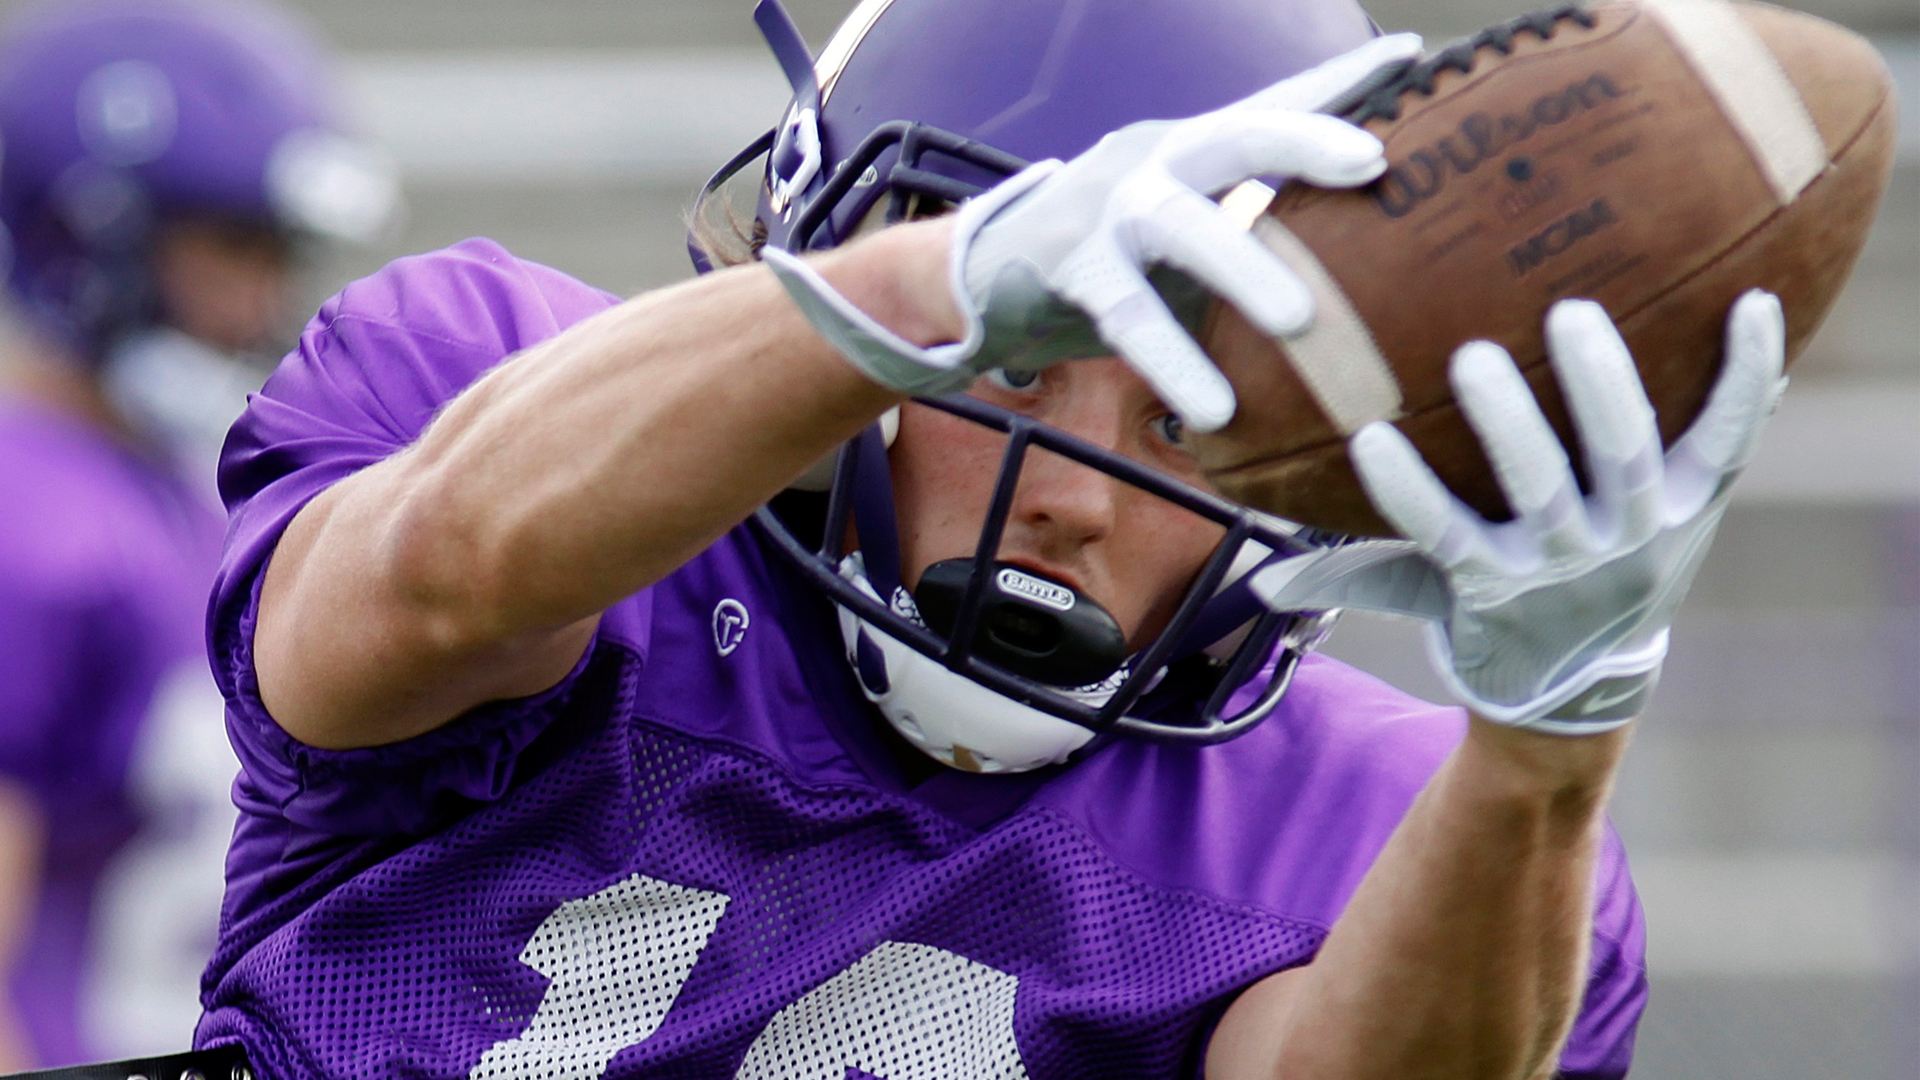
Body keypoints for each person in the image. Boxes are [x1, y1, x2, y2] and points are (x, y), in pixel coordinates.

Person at [194, 0, 1785, 1075]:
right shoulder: (511, 410)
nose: (1079, 490)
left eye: (1187, 408)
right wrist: (929, 291)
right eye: (1014, 363)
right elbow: (428, 580)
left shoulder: (1398, 835)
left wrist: (1547, 748)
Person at [0, 0, 397, 1068]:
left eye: (275, 251)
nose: (259, 297)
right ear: (87, 234)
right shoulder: (23, 515)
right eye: (230, 245)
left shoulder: (184, 486)